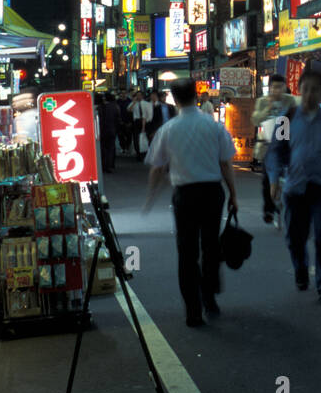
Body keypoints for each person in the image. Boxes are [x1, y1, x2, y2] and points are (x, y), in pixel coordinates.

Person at [144, 79, 238, 326]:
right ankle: (209, 297)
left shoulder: (168, 129)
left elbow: (157, 168)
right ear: (196, 95)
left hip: (184, 195)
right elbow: (226, 163)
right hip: (212, 193)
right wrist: (234, 195)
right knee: (210, 247)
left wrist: (151, 196)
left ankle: (193, 311)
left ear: (174, 99)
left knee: (186, 253)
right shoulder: (214, 126)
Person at [265, 67, 321, 304]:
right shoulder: (288, 118)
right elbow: (275, 152)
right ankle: (301, 268)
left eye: (315, 89)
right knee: (295, 237)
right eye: (306, 88)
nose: (310, 93)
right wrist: (274, 179)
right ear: (299, 90)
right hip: (295, 188)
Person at [252, 74, 297, 225]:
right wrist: (268, 109)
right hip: (268, 145)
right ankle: (269, 209)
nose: (277, 90)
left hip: (287, 143)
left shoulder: (290, 100)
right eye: (274, 87)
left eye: (280, 87)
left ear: (285, 87)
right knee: (266, 181)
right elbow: (255, 119)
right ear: (269, 88)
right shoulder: (262, 102)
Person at [99, 91, 121, 173]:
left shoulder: (100, 107)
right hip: (112, 130)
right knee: (111, 148)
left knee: (103, 148)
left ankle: (103, 165)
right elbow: (118, 119)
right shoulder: (115, 107)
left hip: (102, 131)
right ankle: (110, 165)